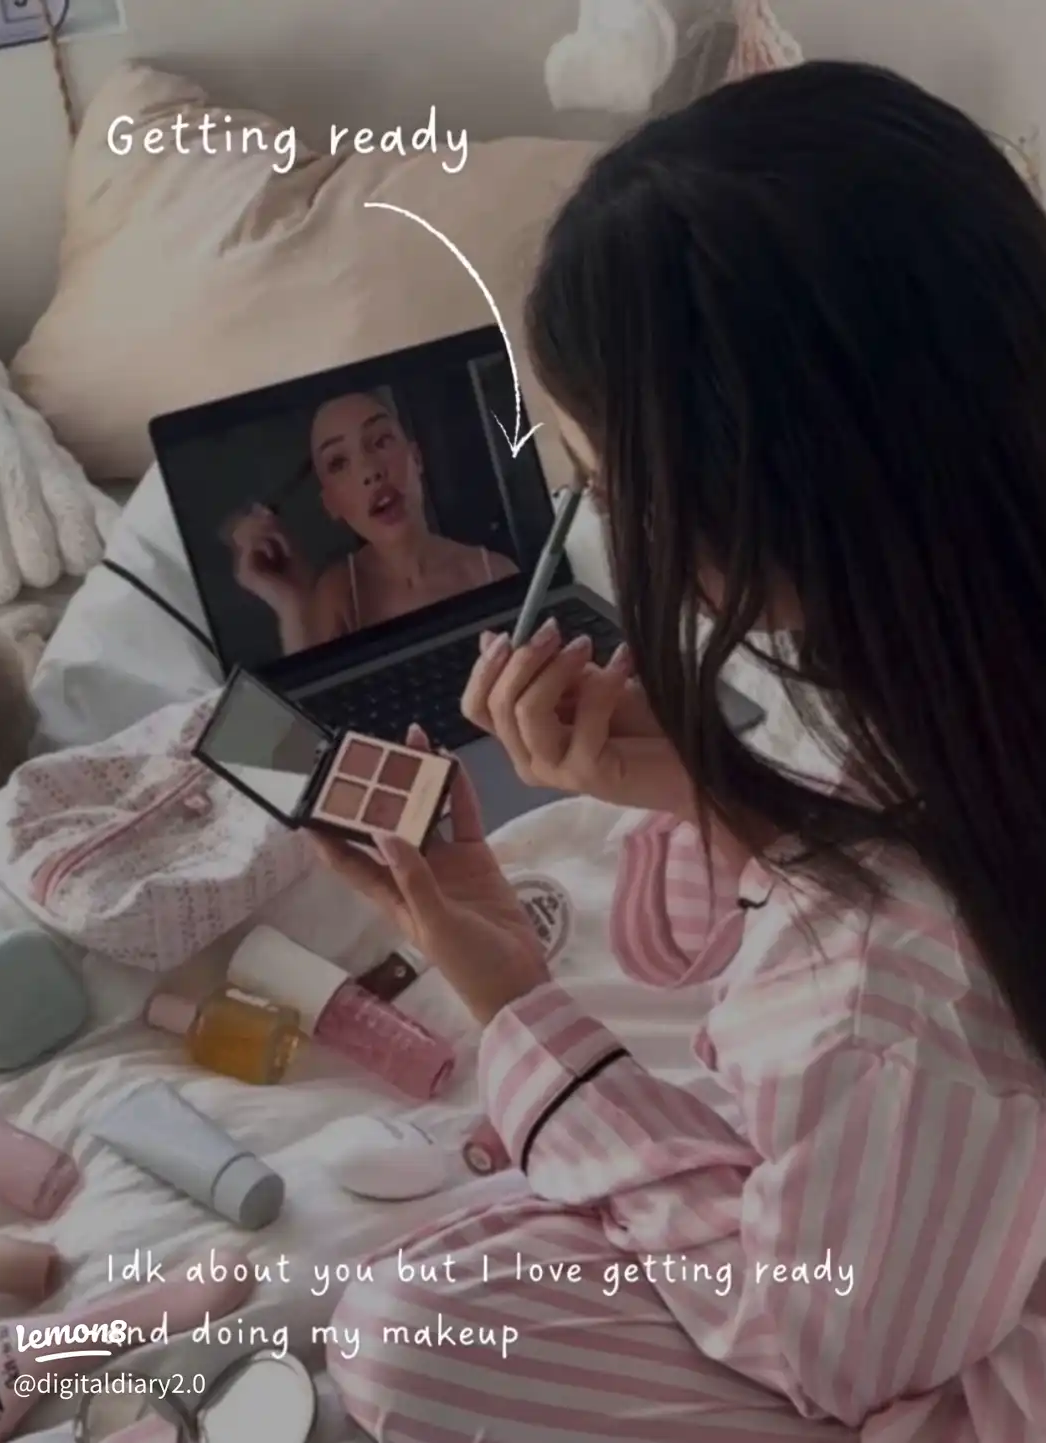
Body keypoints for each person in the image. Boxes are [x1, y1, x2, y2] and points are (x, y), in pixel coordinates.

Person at [313, 61, 1046, 1442]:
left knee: (412, 1324)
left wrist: (527, 1016)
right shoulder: (962, 653)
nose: (590, 524)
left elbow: (839, 1345)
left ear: (738, 504)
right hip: (931, 1182)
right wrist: (721, 791)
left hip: (918, 1341)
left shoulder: (887, 981)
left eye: (598, 483)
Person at [227, 391, 517, 652]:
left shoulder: (495, 570)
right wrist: (291, 607)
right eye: (339, 463)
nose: (370, 471)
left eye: (380, 441)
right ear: (331, 504)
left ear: (416, 459)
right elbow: (308, 709)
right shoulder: (337, 595)